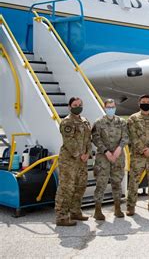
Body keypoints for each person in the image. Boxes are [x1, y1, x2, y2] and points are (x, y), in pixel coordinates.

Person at [55, 97, 91, 226]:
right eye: (75, 105)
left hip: (82, 160)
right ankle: (62, 216)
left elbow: (88, 139)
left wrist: (88, 153)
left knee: (80, 186)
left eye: (80, 104)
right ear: (70, 107)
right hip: (69, 160)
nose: (78, 106)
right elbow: (69, 141)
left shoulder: (85, 121)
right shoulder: (67, 122)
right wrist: (80, 154)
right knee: (66, 188)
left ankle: (75, 211)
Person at [126, 95, 149, 216]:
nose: (145, 103)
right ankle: (130, 206)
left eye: (148, 102)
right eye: (143, 102)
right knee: (134, 181)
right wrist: (143, 149)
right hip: (138, 155)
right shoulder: (133, 119)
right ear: (139, 103)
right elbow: (132, 136)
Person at [91, 99, 129, 220]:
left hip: (118, 156)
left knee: (117, 182)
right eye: (108, 107)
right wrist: (106, 152)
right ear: (104, 107)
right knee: (101, 183)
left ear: (115, 108)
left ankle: (117, 208)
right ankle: (97, 210)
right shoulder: (99, 122)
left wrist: (119, 149)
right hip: (103, 157)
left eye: (112, 107)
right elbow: (96, 139)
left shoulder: (121, 122)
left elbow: (126, 137)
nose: (110, 109)